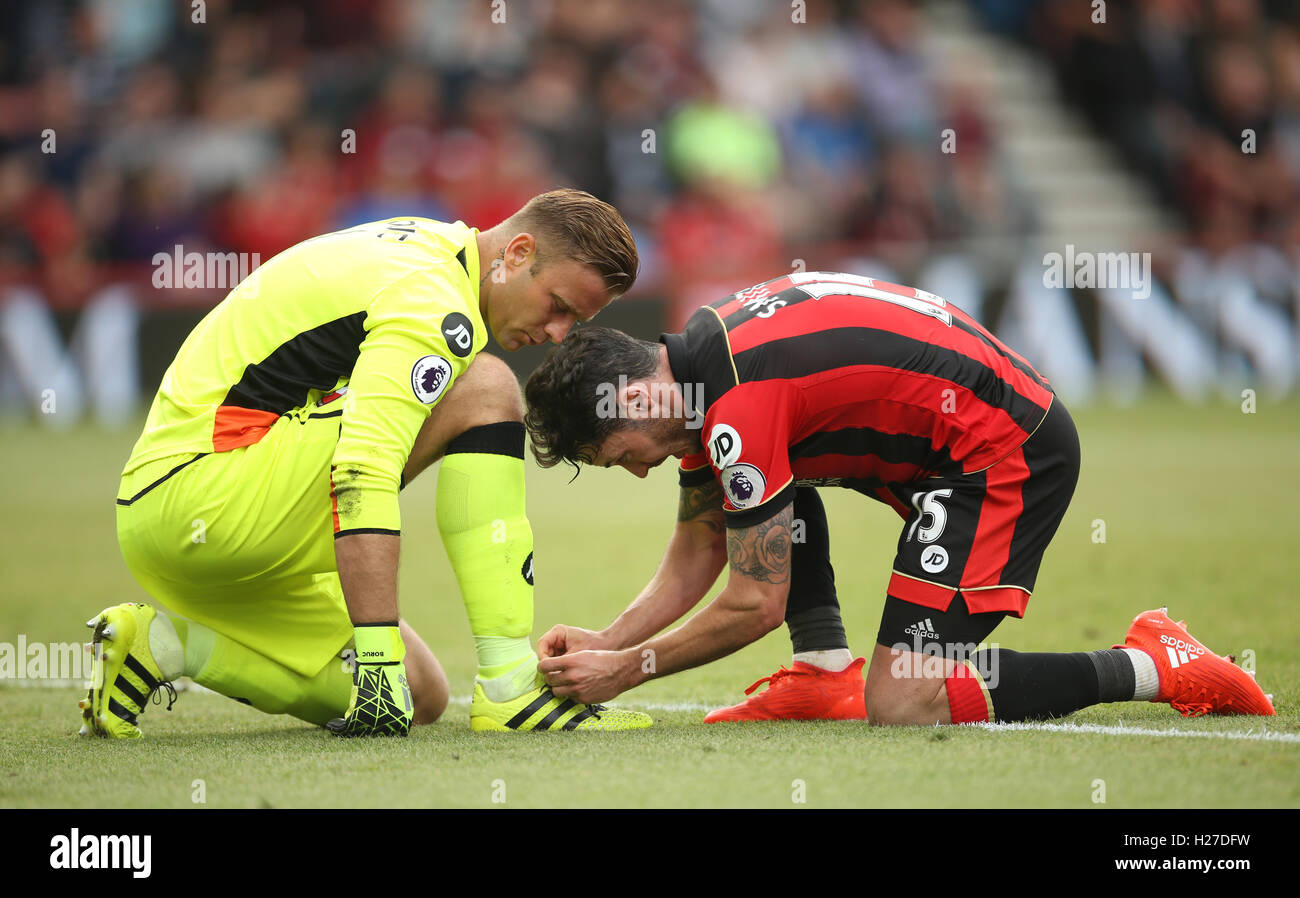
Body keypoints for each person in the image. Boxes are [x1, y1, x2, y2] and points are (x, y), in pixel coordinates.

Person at [522, 270, 1275, 725]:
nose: (638, 473)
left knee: (902, 701)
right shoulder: (699, 367)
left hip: (1004, 452)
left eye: (618, 456)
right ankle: (821, 675)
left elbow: (755, 602)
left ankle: (1150, 662)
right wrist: (607, 640)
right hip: (959, 441)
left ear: (637, 401)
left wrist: (633, 669)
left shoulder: (738, 407)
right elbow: (701, 542)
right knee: (749, 493)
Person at [83, 188, 653, 739]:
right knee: (486, 386)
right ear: (519, 253)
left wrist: (387, 668)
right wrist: (376, 655)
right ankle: (508, 685)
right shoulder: (436, 303)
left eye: (573, 323)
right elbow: (363, 468)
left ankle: (161, 645)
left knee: (422, 695)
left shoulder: (434, 250)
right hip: (206, 495)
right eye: (558, 306)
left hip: (172, 519)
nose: (556, 333)